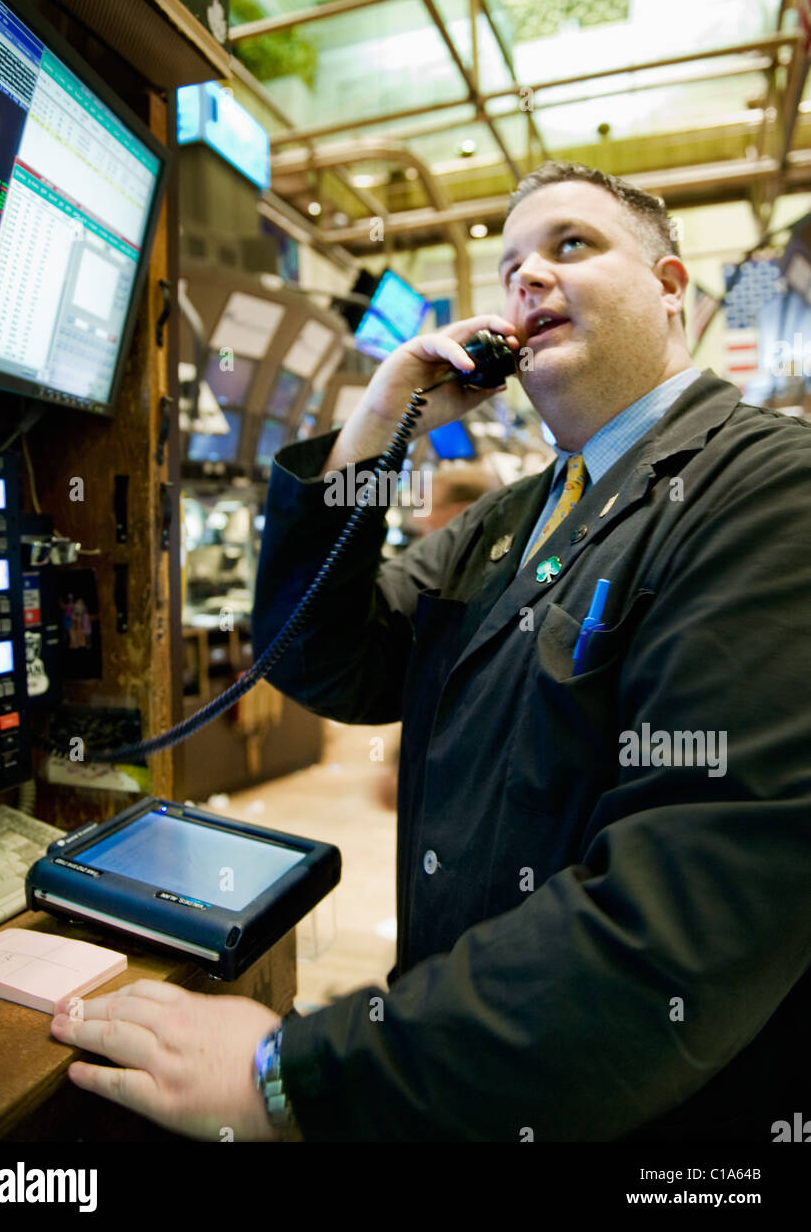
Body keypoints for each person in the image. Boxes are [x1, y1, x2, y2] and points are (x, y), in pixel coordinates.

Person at [49, 161, 811, 1144]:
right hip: (459, 1072)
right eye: (510, 267)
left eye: (570, 245)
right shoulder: (511, 519)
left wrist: (297, 1075)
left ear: (670, 289)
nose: (527, 276)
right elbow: (330, 657)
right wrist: (381, 418)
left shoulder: (765, 492)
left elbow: (669, 934)